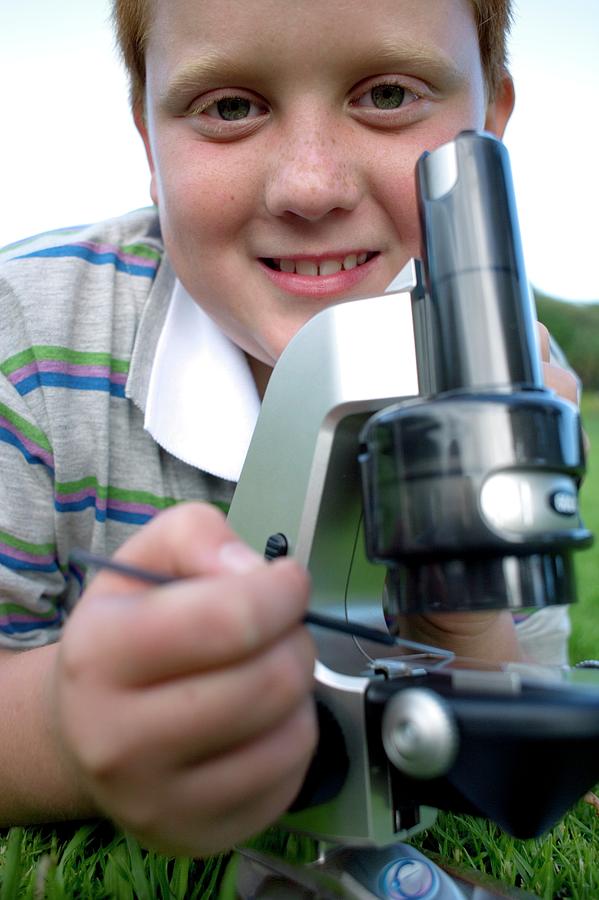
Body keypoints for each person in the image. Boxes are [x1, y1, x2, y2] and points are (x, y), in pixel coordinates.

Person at [0, 0, 580, 858]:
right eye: (230, 108)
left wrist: (458, 596)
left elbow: (511, 730)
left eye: (388, 94)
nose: (310, 186)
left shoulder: (501, 365)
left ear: (488, 122)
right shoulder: (26, 339)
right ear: (148, 145)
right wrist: (65, 727)